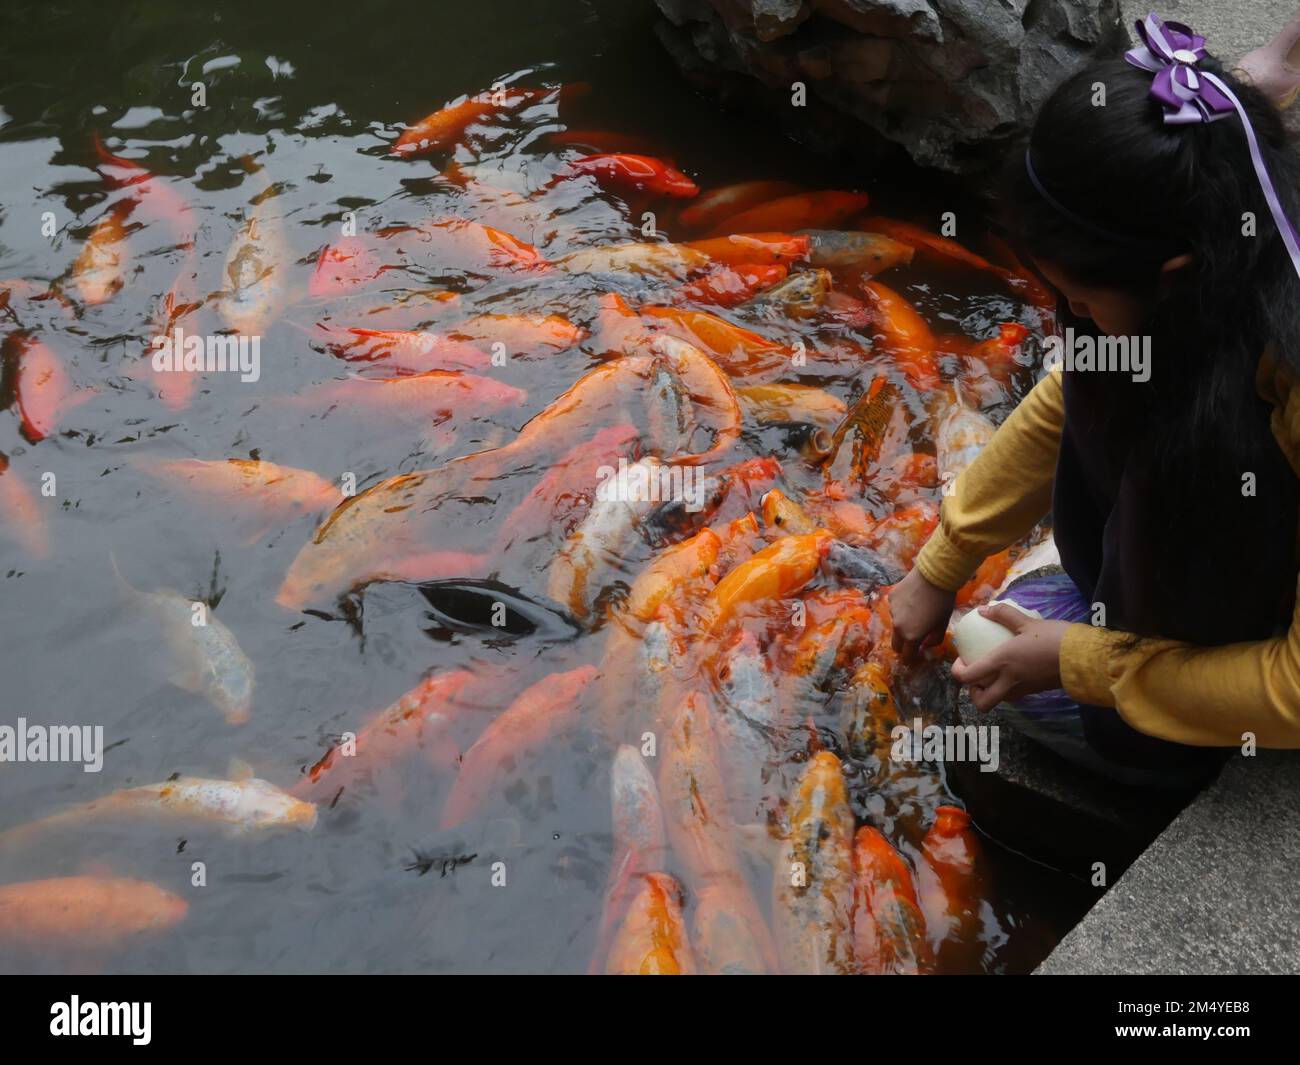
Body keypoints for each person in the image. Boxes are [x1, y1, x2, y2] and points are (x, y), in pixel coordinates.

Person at [888, 14, 1300, 788]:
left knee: (1003, 693)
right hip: (1213, 567)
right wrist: (941, 563)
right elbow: (1066, 395)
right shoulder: (1225, 243)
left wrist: (1082, 666)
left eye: (1078, 293)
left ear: (1173, 268)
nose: (1068, 314)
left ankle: (1173, 740)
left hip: (1273, 660)